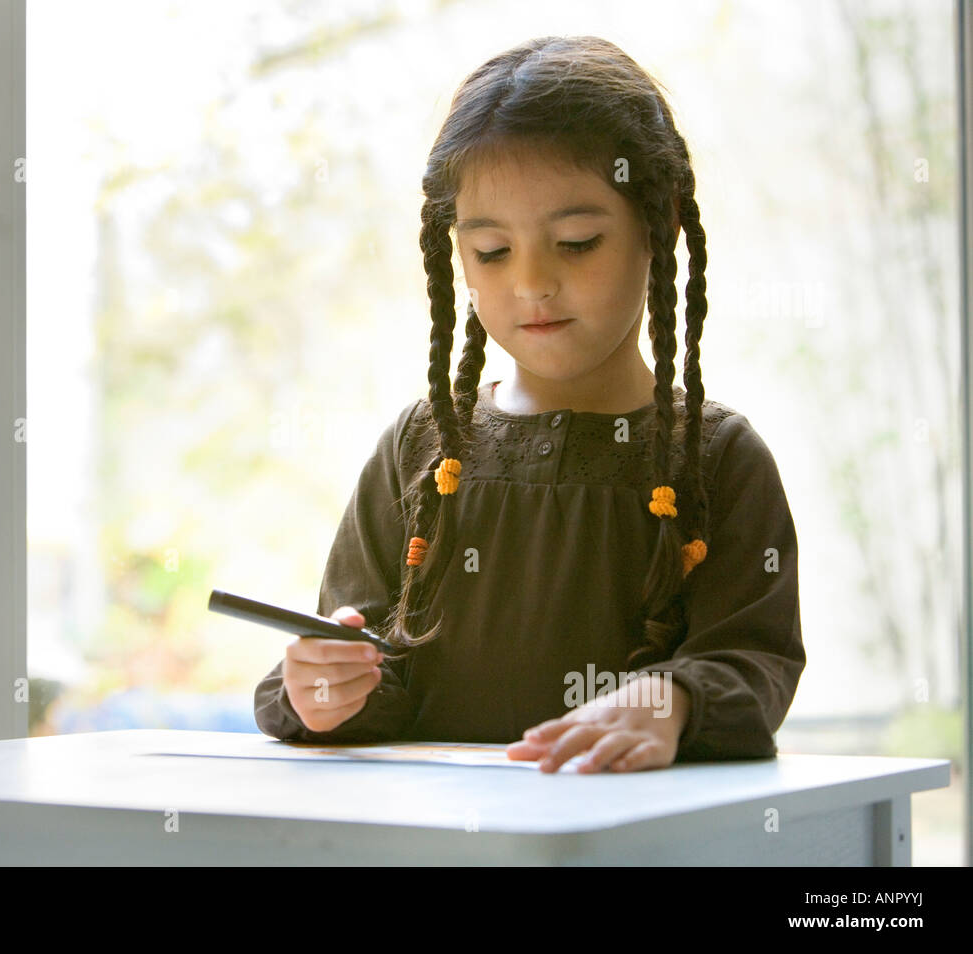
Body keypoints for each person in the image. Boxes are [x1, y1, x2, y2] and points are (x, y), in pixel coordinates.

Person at [254, 35, 805, 773]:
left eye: (576, 242)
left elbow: (754, 664)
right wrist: (324, 691)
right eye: (491, 251)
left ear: (661, 222)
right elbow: (357, 654)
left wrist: (670, 701)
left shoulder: (716, 459)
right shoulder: (422, 449)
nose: (532, 283)